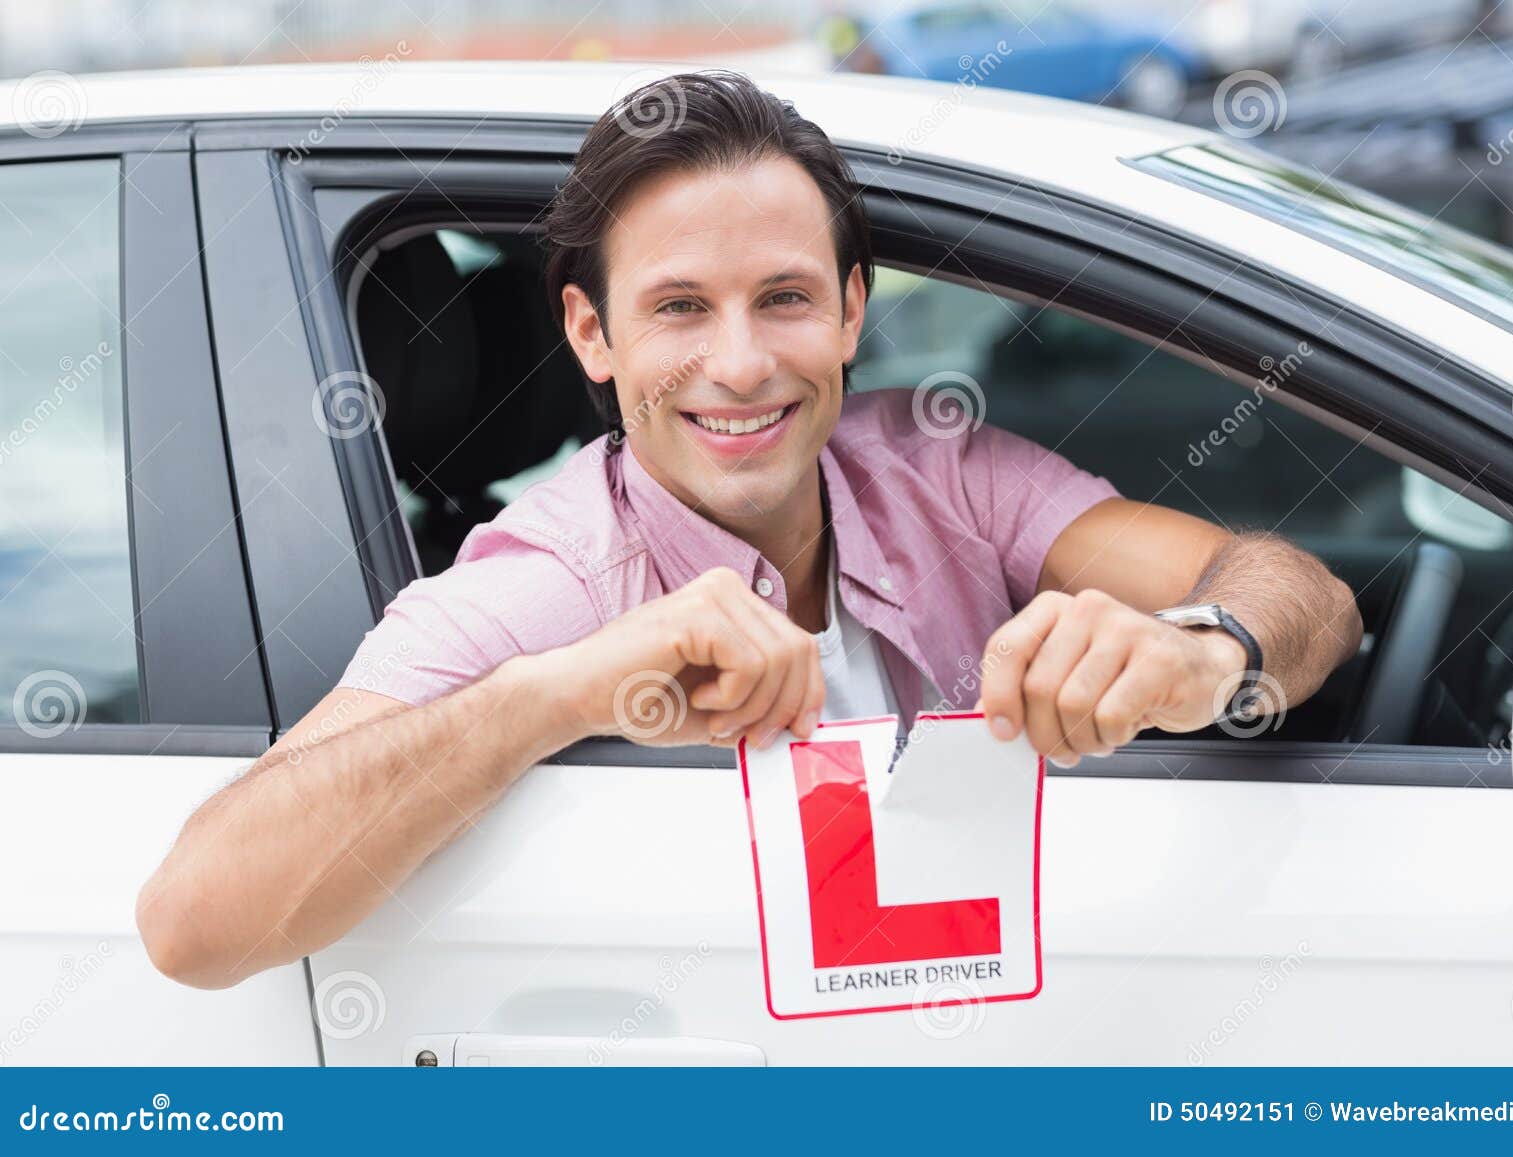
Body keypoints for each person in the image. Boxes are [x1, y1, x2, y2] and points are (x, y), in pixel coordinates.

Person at [136, 71, 1361, 990]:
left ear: (849, 311)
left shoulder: (935, 465)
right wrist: (551, 695)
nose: (738, 364)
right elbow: (195, 917)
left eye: (782, 298)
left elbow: (1300, 593)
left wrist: (1205, 654)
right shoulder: (551, 578)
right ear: (591, 337)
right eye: (677, 308)